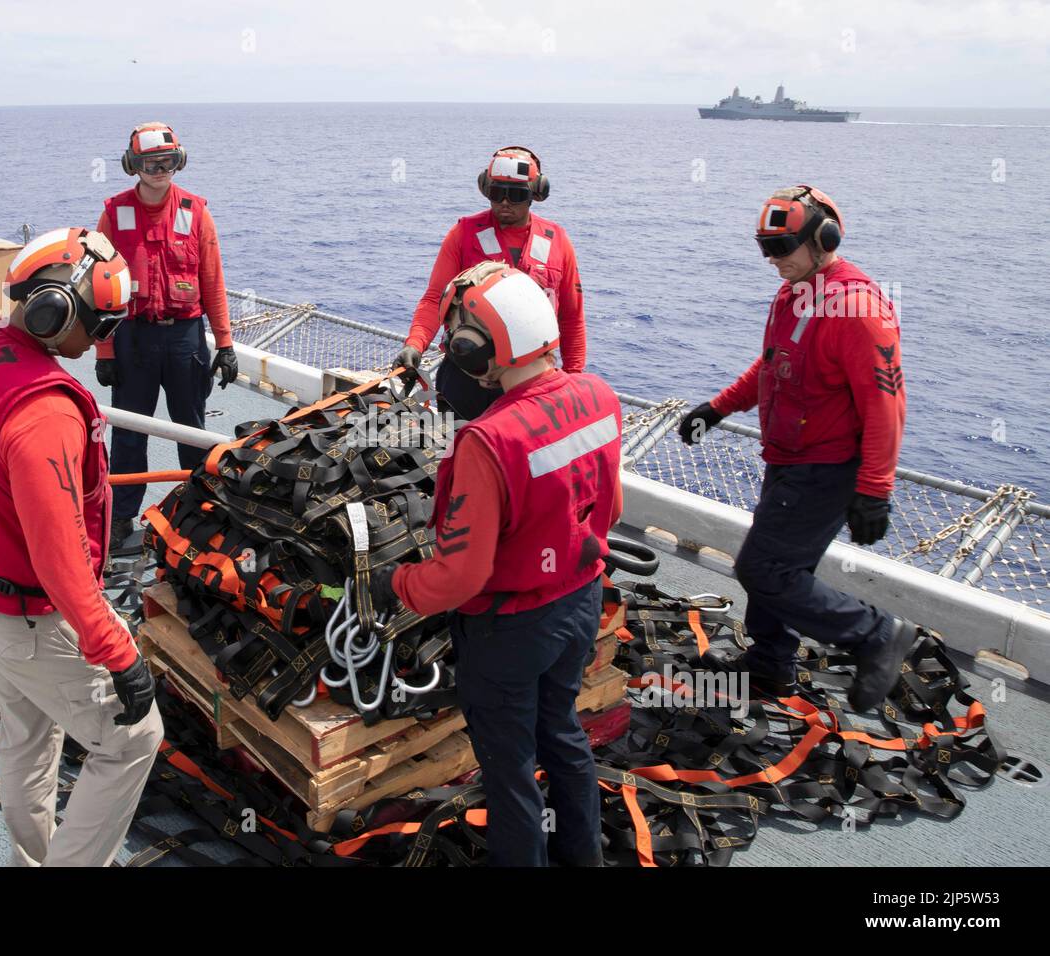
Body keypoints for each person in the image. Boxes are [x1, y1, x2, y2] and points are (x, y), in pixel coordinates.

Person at [0, 227, 163, 867]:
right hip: (29, 615)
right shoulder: (45, 415)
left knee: (29, 732)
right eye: (99, 323)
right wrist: (116, 651)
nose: (101, 339)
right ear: (55, 309)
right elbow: (59, 560)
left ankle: (30, 859)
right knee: (134, 739)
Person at [372, 262, 622, 867]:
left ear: (477, 349)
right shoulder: (600, 397)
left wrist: (394, 583)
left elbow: (459, 579)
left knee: (509, 771)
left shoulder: (488, 440)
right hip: (581, 604)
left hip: (508, 630)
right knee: (561, 734)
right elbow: (609, 511)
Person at [678, 184, 915, 712]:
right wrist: (717, 408)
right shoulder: (798, 295)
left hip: (825, 468)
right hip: (788, 459)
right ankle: (769, 667)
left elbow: (886, 405)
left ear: (823, 238)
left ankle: (876, 634)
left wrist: (874, 489)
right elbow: (773, 366)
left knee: (765, 569)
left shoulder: (858, 310)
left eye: (781, 248)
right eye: (765, 247)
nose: (771, 260)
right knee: (780, 565)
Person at [95, 121, 239, 550]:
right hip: (132, 339)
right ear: (132, 166)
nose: (159, 170)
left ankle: (199, 511)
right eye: (149, 163)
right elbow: (101, 285)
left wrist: (225, 344)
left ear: (179, 162)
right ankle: (122, 516)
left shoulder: (196, 211)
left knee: (191, 430)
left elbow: (212, 281)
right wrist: (105, 349)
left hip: (185, 340)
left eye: (167, 162)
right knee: (129, 432)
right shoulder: (113, 213)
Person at [394, 146, 586, 421]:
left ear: (535, 194)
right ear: (486, 190)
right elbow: (435, 298)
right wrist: (415, 344)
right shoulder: (463, 235)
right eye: (497, 194)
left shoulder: (558, 241)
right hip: (467, 377)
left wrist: (573, 378)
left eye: (517, 195)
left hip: (529, 381)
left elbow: (571, 317)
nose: (505, 202)